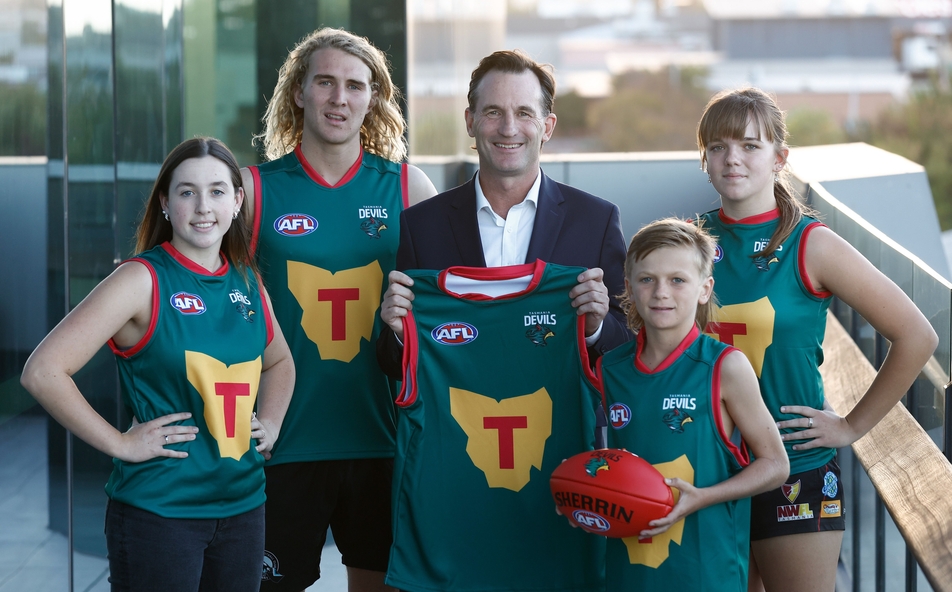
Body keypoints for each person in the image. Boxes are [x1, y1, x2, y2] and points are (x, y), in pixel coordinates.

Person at [20, 137, 295, 592]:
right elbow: (43, 371)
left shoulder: (248, 281)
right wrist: (120, 443)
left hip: (244, 510)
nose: (203, 207)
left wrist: (271, 422)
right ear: (165, 203)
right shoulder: (141, 280)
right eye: (187, 192)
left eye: (217, 191)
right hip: (161, 515)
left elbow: (280, 361)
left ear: (236, 201)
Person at [696, 87, 938, 592]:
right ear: (705, 160)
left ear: (779, 158)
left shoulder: (811, 243)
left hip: (796, 469)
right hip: (707, 467)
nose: (732, 158)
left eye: (749, 145)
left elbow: (917, 335)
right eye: (718, 147)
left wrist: (851, 426)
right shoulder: (688, 243)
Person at [241, 27, 437, 592]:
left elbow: (446, 315)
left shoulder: (408, 188)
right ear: (297, 92)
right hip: (279, 442)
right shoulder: (252, 191)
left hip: (383, 440)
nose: (339, 98)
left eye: (355, 85)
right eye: (325, 81)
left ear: (373, 98)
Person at [377, 48, 631, 379]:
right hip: (464, 412)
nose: (509, 129)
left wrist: (597, 327)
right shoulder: (422, 225)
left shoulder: (596, 222)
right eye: (494, 112)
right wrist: (399, 334)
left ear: (548, 127)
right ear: (470, 121)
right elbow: (393, 366)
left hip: (560, 413)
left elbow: (631, 352)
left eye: (524, 113)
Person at [596, 217, 788, 591]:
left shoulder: (725, 366)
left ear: (704, 289)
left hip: (707, 573)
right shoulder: (609, 369)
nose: (661, 292)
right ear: (629, 288)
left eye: (677, 280)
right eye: (647, 279)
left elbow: (776, 465)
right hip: (630, 574)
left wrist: (703, 497)